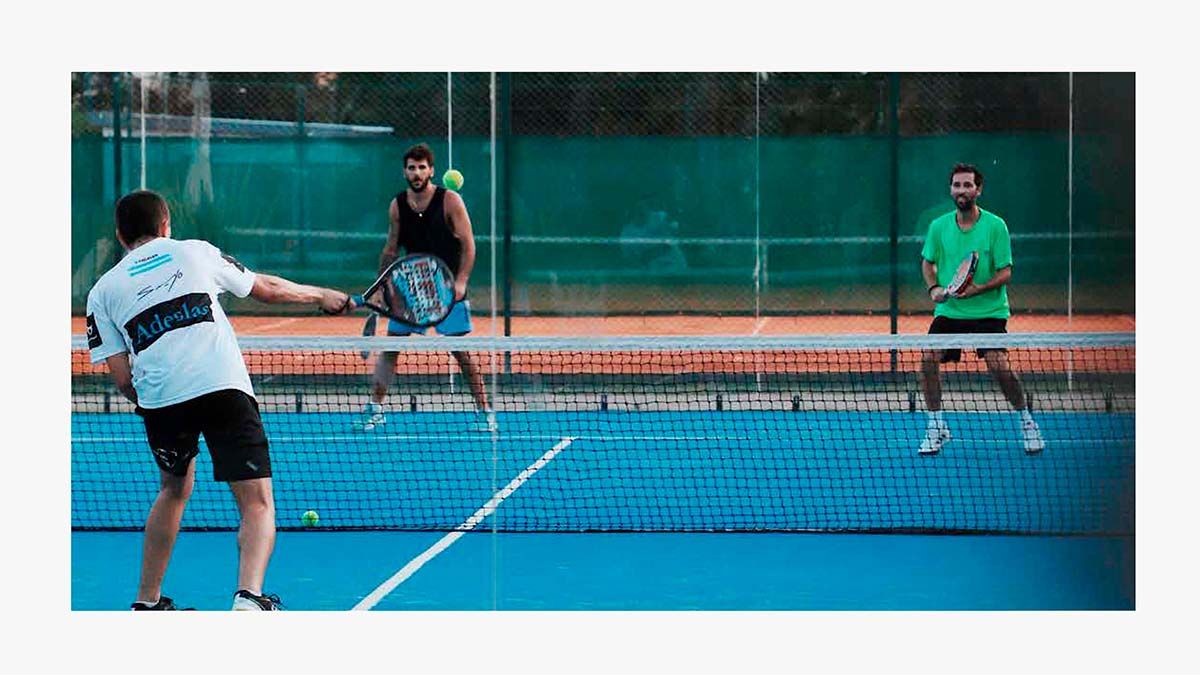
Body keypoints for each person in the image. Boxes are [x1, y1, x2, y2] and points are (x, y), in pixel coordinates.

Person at [85, 190, 353, 610]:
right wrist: (321, 295)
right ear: (166, 224)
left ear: (120, 235)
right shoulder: (195, 252)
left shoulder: (102, 291)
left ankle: (147, 603)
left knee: (172, 489)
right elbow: (265, 289)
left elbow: (121, 377)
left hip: (161, 401)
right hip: (221, 385)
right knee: (256, 502)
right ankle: (249, 597)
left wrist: (155, 400)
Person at [355, 143, 494, 432]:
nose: (416, 173)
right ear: (404, 172)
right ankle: (375, 409)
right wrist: (380, 287)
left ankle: (485, 412)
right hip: (410, 289)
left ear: (431, 171)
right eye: (411, 168)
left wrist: (461, 281)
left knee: (461, 351)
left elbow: (469, 244)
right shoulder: (397, 205)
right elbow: (391, 249)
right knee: (391, 348)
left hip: (447, 289)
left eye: (422, 167)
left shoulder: (450, 201)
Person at [918, 163, 1045, 455]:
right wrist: (934, 288)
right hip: (950, 312)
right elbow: (927, 262)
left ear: (978, 190)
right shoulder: (938, 227)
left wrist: (978, 289)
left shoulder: (995, 226)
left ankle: (1027, 421)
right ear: (951, 189)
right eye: (957, 185)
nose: (961, 190)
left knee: (999, 366)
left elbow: (1005, 272)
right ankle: (936, 426)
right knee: (927, 360)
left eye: (967, 185)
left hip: (990, 311)